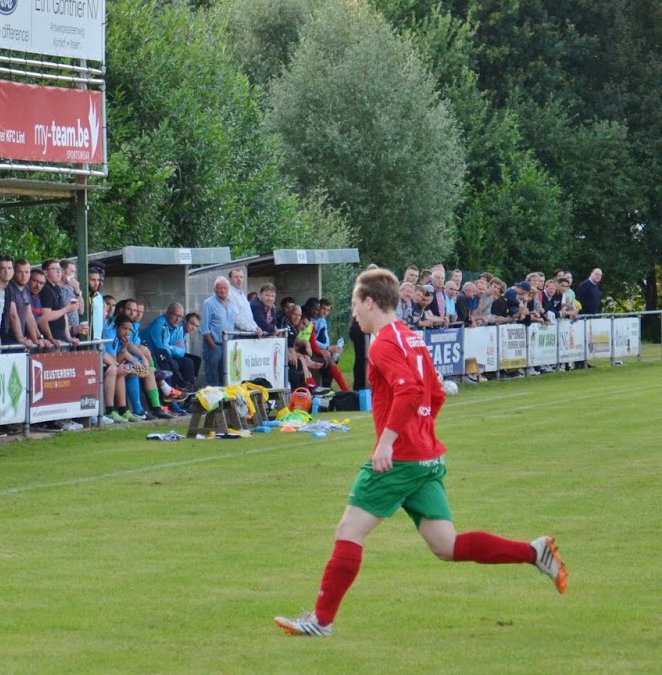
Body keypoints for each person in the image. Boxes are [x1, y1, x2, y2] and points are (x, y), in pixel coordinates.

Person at [274, 267, 568, 637]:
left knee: (348, 531)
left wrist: (388, 442)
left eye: (353, 304)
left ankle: (321, 621)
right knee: (446, 545)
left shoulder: (383, 343)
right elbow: (436, 393)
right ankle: (534, 551)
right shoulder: (411, 338)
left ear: (369, 301)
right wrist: (421, 433)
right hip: (425, 455)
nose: (352, 313)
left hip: (402, 459)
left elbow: (411, 392)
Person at [199, 277, 233, 386]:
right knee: (213, 377)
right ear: (215, 289)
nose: (222, 290)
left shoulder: (231, 303)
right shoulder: (208, 303)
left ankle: (225, 402)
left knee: (226, 377)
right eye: (220, 288)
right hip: (214, 346)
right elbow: (204, 328)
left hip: (228, 346)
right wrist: (212, 346)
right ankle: (213, 402)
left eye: (225, 288)